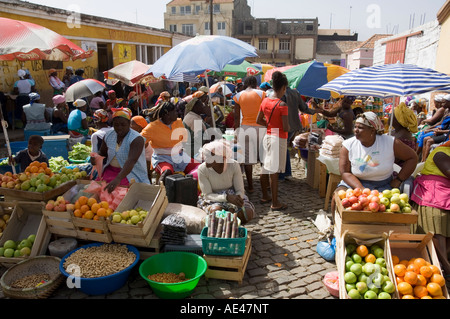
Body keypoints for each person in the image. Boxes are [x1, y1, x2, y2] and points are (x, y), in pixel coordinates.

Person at [330, 111, 418, 221]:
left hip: (384, 185)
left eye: (360, 127)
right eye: (355, 127)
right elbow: (345, 172)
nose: (355, 130)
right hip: (354, 183)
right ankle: (335, 227)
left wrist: (399, 179)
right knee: (336, 198)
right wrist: (362, 190)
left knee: (381, 213)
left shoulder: (390, 142)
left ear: (372, 130)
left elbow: (412, 158)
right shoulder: (348, 145)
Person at [411, 140, 450, 276]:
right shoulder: (441, 153)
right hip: (432, 190)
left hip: (447, 192)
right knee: (438, 217)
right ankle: (442, 267)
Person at [197, 140, 256, 225]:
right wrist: (226, 198)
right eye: (204, 155)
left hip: (234, 196)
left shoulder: (234, 165)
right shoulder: (202, 169)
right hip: (213, 198)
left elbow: (240, 190)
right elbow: (208, 195)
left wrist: (236, 201)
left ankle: (234, 229)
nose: (205, 158)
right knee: (216, 213)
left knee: (247, 213)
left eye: (209, 155)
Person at [140, 101, 200, 184]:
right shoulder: (152, 127)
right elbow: (138, 141)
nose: (177, 113)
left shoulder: (179, 122)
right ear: (167, 114)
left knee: (200, 167)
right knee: (167, 172)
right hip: (162, 158)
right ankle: (161, 192)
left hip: (180, 156)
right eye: (174, 111)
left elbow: (184, 140)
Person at [256, 71, 289, 211]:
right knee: (274, 171)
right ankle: (275, 203)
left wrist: (269, 124)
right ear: (283, 88)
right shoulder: (282, 105)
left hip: (268, 136)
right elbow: (286, 127)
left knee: (266, 167)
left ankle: (265, 195)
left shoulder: (265, 101)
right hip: (278, 137)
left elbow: (258, 120)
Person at [95, 107, 149, 192]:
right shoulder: (109, 135)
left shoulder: (137, 139)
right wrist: (96, 156)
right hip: (110, 171)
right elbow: (102, 152)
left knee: (119, 193)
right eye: (116, 125)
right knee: (99, 190)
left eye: (123, 124)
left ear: (129, 124)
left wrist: (118, 178)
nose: (119, 127)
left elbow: (131, 161)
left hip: (130, 173)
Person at [233, 76, 267, 193]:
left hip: (245, 128)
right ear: (255, 83)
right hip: (261, 128)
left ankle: (251, 186)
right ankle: (266, 185)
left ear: (244, 84)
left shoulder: (238, 96)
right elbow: (266, 111)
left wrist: (236, 131)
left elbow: (237, 117)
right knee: (263, 157)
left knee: (247, 159)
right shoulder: (262, 94)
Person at [278, 87, 319, 181]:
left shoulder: (279, 94)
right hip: (293, 125)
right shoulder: (295, 93)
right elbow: (304, 108)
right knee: (284, 147)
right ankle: (286, 172)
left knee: (282, 148)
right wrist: (314, 111)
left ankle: (283, 174)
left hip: (283, 125)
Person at [183, 90, 213, 158]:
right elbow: (200, 139)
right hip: (193, 150)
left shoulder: (195, 116)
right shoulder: (194, 119)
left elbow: (207, 127)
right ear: (195, 107)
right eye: (201, 105)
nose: (203, 106)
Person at [420, 95, 450, 162]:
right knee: (425, 138)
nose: (442, 104)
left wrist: (440, 132)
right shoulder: (447, 111)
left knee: (429, 141)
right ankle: (422, 160)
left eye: (444, 102)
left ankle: (425, 162)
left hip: (447, 135)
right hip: (443, 131)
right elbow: (441, 123)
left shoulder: (444, 111)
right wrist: (433, 129)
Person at [131, 115, 153, 182]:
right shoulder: (145, 134)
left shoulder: (142, 138)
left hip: (147, 163)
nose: (130, 126)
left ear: (139, 127)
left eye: (132, 124)